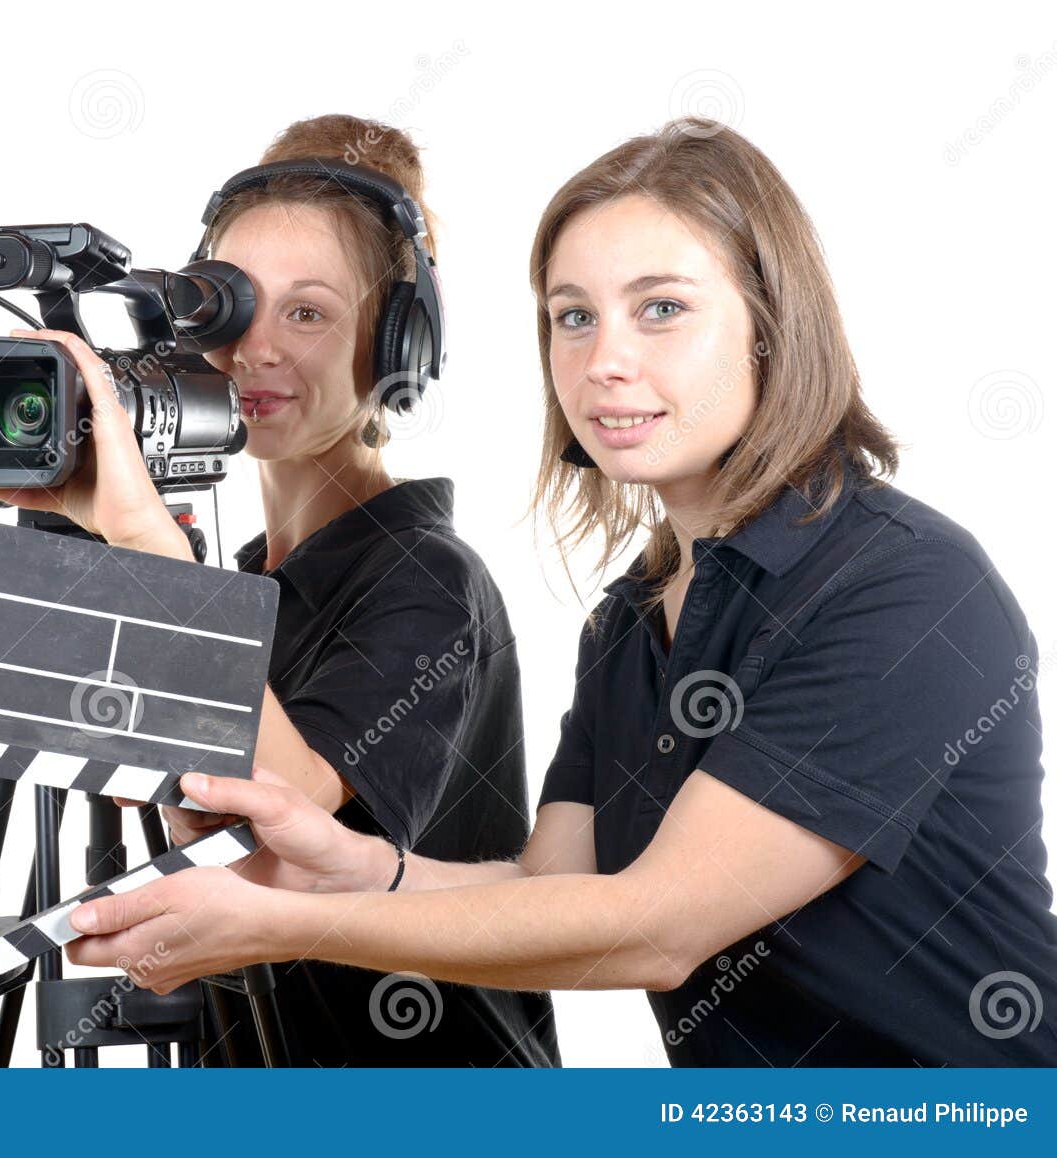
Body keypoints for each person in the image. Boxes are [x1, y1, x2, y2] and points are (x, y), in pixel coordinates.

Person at [58, 117, 1057, 1066]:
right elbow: (557, 886)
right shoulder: (632, 616)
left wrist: (287, 922)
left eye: (661, 309)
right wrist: (360, 870)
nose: (604, 361)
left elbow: (658, 927)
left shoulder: (900, 586)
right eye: (572, 316)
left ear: (768, 326)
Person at [0, 114, 558, 1066]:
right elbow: (221, 838)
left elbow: (295, 805)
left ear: (394, 347)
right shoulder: (244, 580)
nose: (256, 348)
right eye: (232, 303)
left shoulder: (427, 576)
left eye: (309, 311)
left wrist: (141, 543)